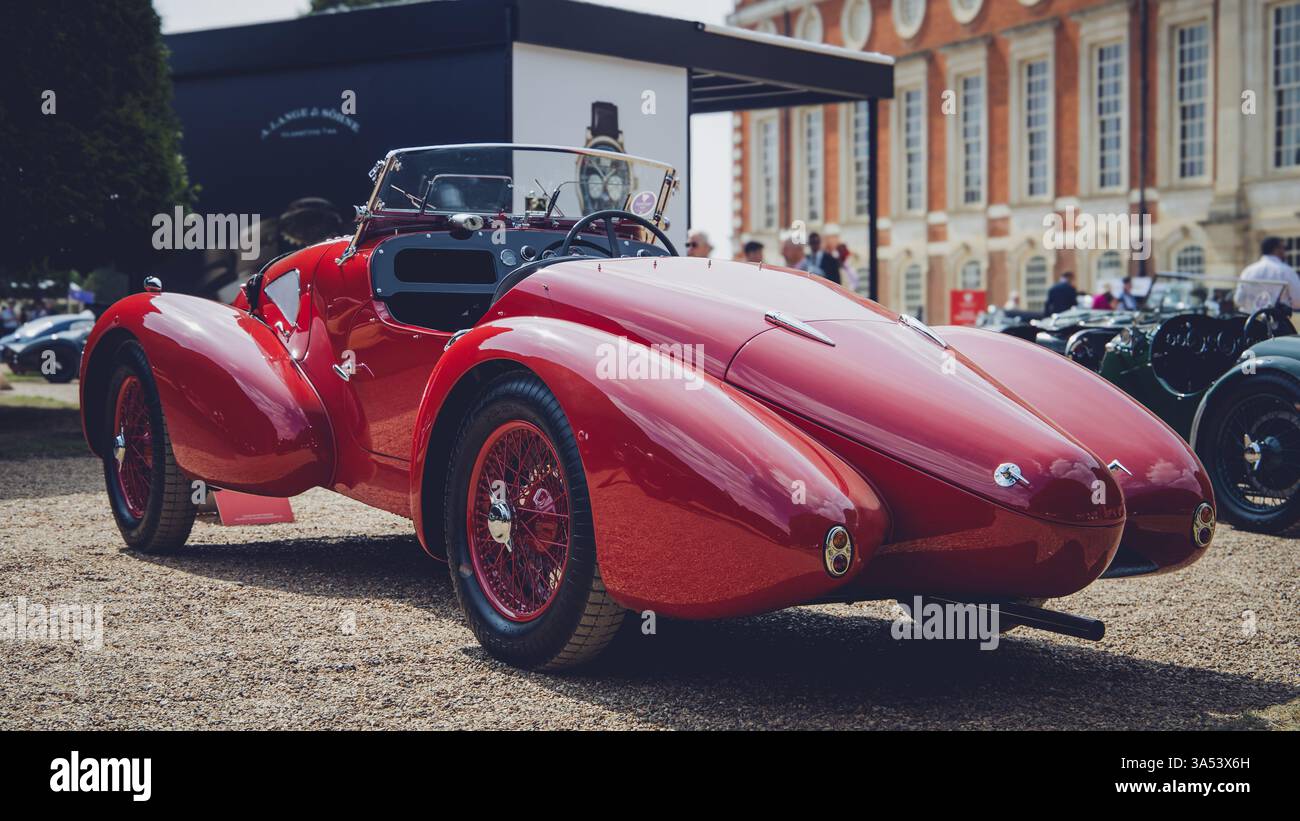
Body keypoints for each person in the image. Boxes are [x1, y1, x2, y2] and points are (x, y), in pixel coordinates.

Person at [1237, 237, 1300, 309]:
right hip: (1274, 319)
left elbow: (1239, 300)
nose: (1285, 252)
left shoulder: (1248, 270)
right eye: (1283, 248)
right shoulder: (1286, 271)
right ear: (1277, 250)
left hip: (1249, 318)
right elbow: (1298, 301)